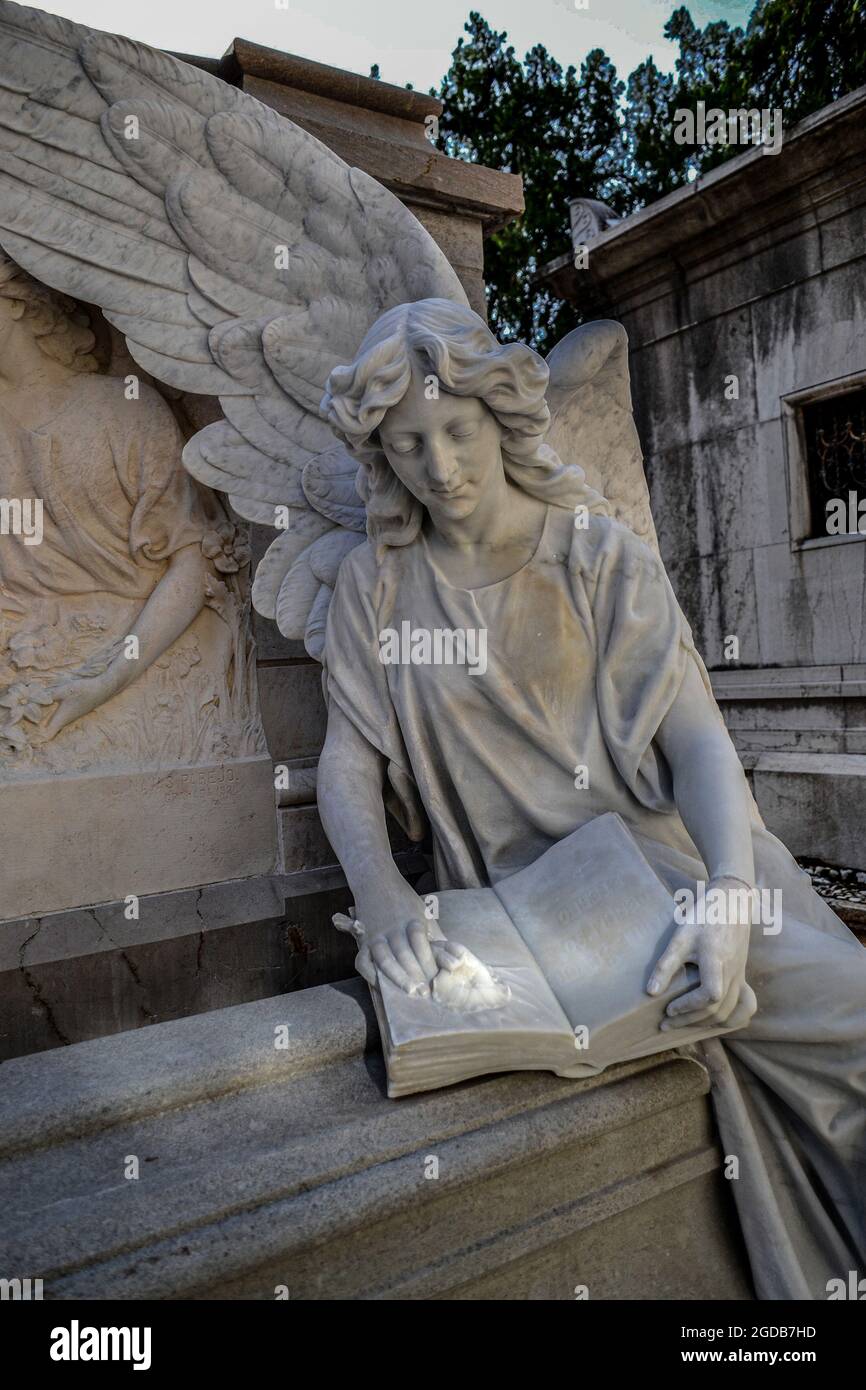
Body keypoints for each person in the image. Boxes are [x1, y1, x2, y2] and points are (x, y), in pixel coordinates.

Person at [316, 297, 866, 1300]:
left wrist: (729, 901)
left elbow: (695, 737)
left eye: (456, 430)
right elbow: (346, 761)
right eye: (406, 447)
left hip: (683, 870)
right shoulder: (375, 586)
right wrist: (381, 892)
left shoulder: (594, 551)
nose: (437, 467)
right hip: (526, 921)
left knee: (854, 1022)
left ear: (499, 416)